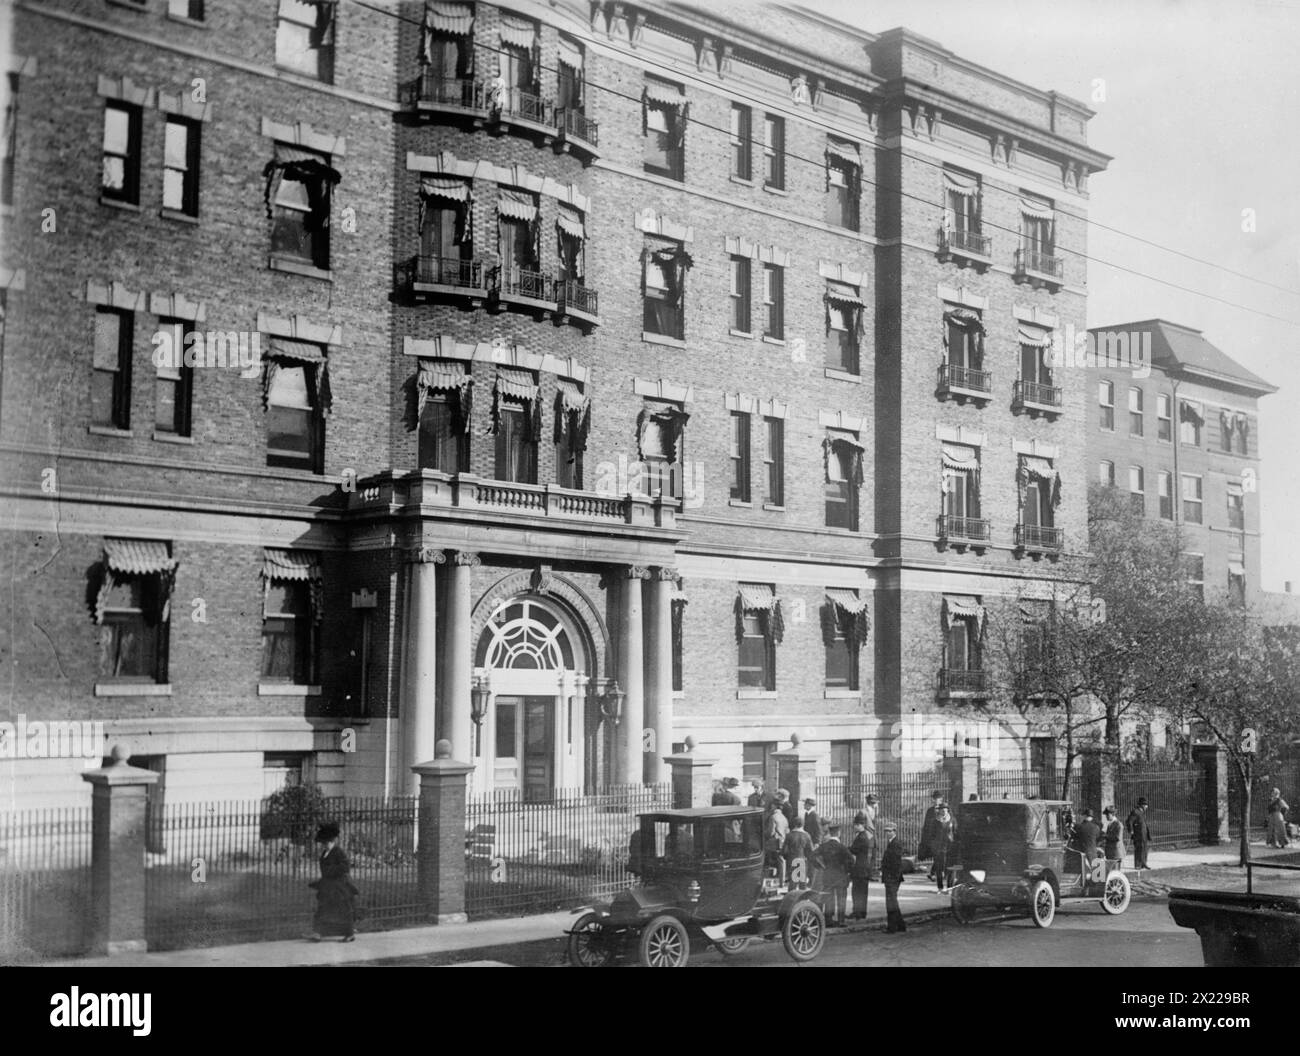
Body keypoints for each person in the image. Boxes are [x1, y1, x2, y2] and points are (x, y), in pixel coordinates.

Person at [309, 822, 358, 942]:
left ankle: (350, 933)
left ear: (331, 841)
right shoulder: (325, 853)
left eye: (326, 842)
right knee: (323, 908)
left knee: (343, 909)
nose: (324, 845)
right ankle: (318, 932)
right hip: (328, 886)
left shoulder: (338, 852)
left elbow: (345, 867)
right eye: (323, 843)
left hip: (338, 886)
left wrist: (331, 871)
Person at [815, 824, 853, 925]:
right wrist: (847, 871)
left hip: (828, 875)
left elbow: (812, 855)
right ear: (839, 833)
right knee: (841, 899)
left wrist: (821, 866)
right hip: (841, 876)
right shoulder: (842, 847)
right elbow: (851, 860)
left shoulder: (824, 846)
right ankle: (841, 921)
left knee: (828, 898)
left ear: (830, 833)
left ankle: (828, 920)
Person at [880, 821, 906, 933]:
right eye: (886, 831)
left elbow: (895, 863)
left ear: (894, 831)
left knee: (891, 903)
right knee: (892, 901)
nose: (887, 833)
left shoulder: (896, 844)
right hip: (892, 877)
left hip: (892, 877)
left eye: (889, 831)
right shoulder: (892, 843)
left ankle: (892, 927)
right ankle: (900, 925)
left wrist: (891, 877)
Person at [849, 813, 874, 921]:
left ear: (860, 825)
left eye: (855, 825)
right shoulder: (866, 835)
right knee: (862, 891)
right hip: (865, 868)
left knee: (857, 891)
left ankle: (857, 912)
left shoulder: (861, 837)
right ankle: (861, 912)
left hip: (860, 868)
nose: (854, 827)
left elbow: (853, 849)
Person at [918, 790, 944, 880]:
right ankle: (934, 873)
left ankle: (934, 873)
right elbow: (926, 825)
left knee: (939, 856)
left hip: (941, 836)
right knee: (936, 855)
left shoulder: (944, 809)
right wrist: (925, 837)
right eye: (935, 799)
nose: (937, 800)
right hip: (932, 837)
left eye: (938, 799)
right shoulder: (930, 811)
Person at [783, 816, 814, 888]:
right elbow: (811, 850)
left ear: (794, 824)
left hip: (792, 860)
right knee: (802, 883)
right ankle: (802, 898)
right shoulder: (807, 835)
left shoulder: (789, 835)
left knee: (793, 883)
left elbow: (784, 851)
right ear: (803, 825)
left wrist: (786, 857)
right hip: (803, 860)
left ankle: (792, 898)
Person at [1069, 808, 1102, 876]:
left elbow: (1073, 837)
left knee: (1082, 873)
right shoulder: (1096, 827)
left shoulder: (1078, 827)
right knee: (1095, 874)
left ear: (1084, 816)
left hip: (1080, 853)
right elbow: (1098, 838)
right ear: (1092, 817)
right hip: (1092, 853)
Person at [932, 802, 956, 892]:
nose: (944, 812)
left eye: (945, 810)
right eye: (942, 810)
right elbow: (932, 835)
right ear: (939, 811)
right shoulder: (935, 821)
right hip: (939, 847)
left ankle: (950, 887)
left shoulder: (952, 820)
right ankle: (940, 887)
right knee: (939, 868)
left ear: (948, 810)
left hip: (950, 847)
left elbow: (955, 832)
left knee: (951, 868)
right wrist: (934, 846)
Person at [764, 799, 789, 875]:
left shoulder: (773, 817)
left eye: (772, 805)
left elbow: (770, 832)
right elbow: (787, 831)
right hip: (782, 841)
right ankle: (781, 878)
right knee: (780, 859)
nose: (771, 806)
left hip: (774, 842)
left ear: (774, 806)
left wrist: (763, 833)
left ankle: (767, 873)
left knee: (763, 852)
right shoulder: (784, 817)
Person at [1126, 797, 1152, 869]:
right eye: (1145, 805)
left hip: (1144, 834)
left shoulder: (1142, 812)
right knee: (1139, 849)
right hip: (1138, 834)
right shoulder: (1135, 812)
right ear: (1142, 805)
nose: (1147, 806)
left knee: (1144, 849)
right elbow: (1129, 821)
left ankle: (1144, 863)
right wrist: (1131, 830)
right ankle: (1138, 865)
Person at [862, 793, 880, 880]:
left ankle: (870, 873)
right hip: (868, 837)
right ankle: (867, 874)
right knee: (868, 856)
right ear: (872, 803)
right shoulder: (865, 811)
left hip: (872, 836)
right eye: (876, 803)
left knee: (873, 855)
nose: (877, 805)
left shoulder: (873, 811)